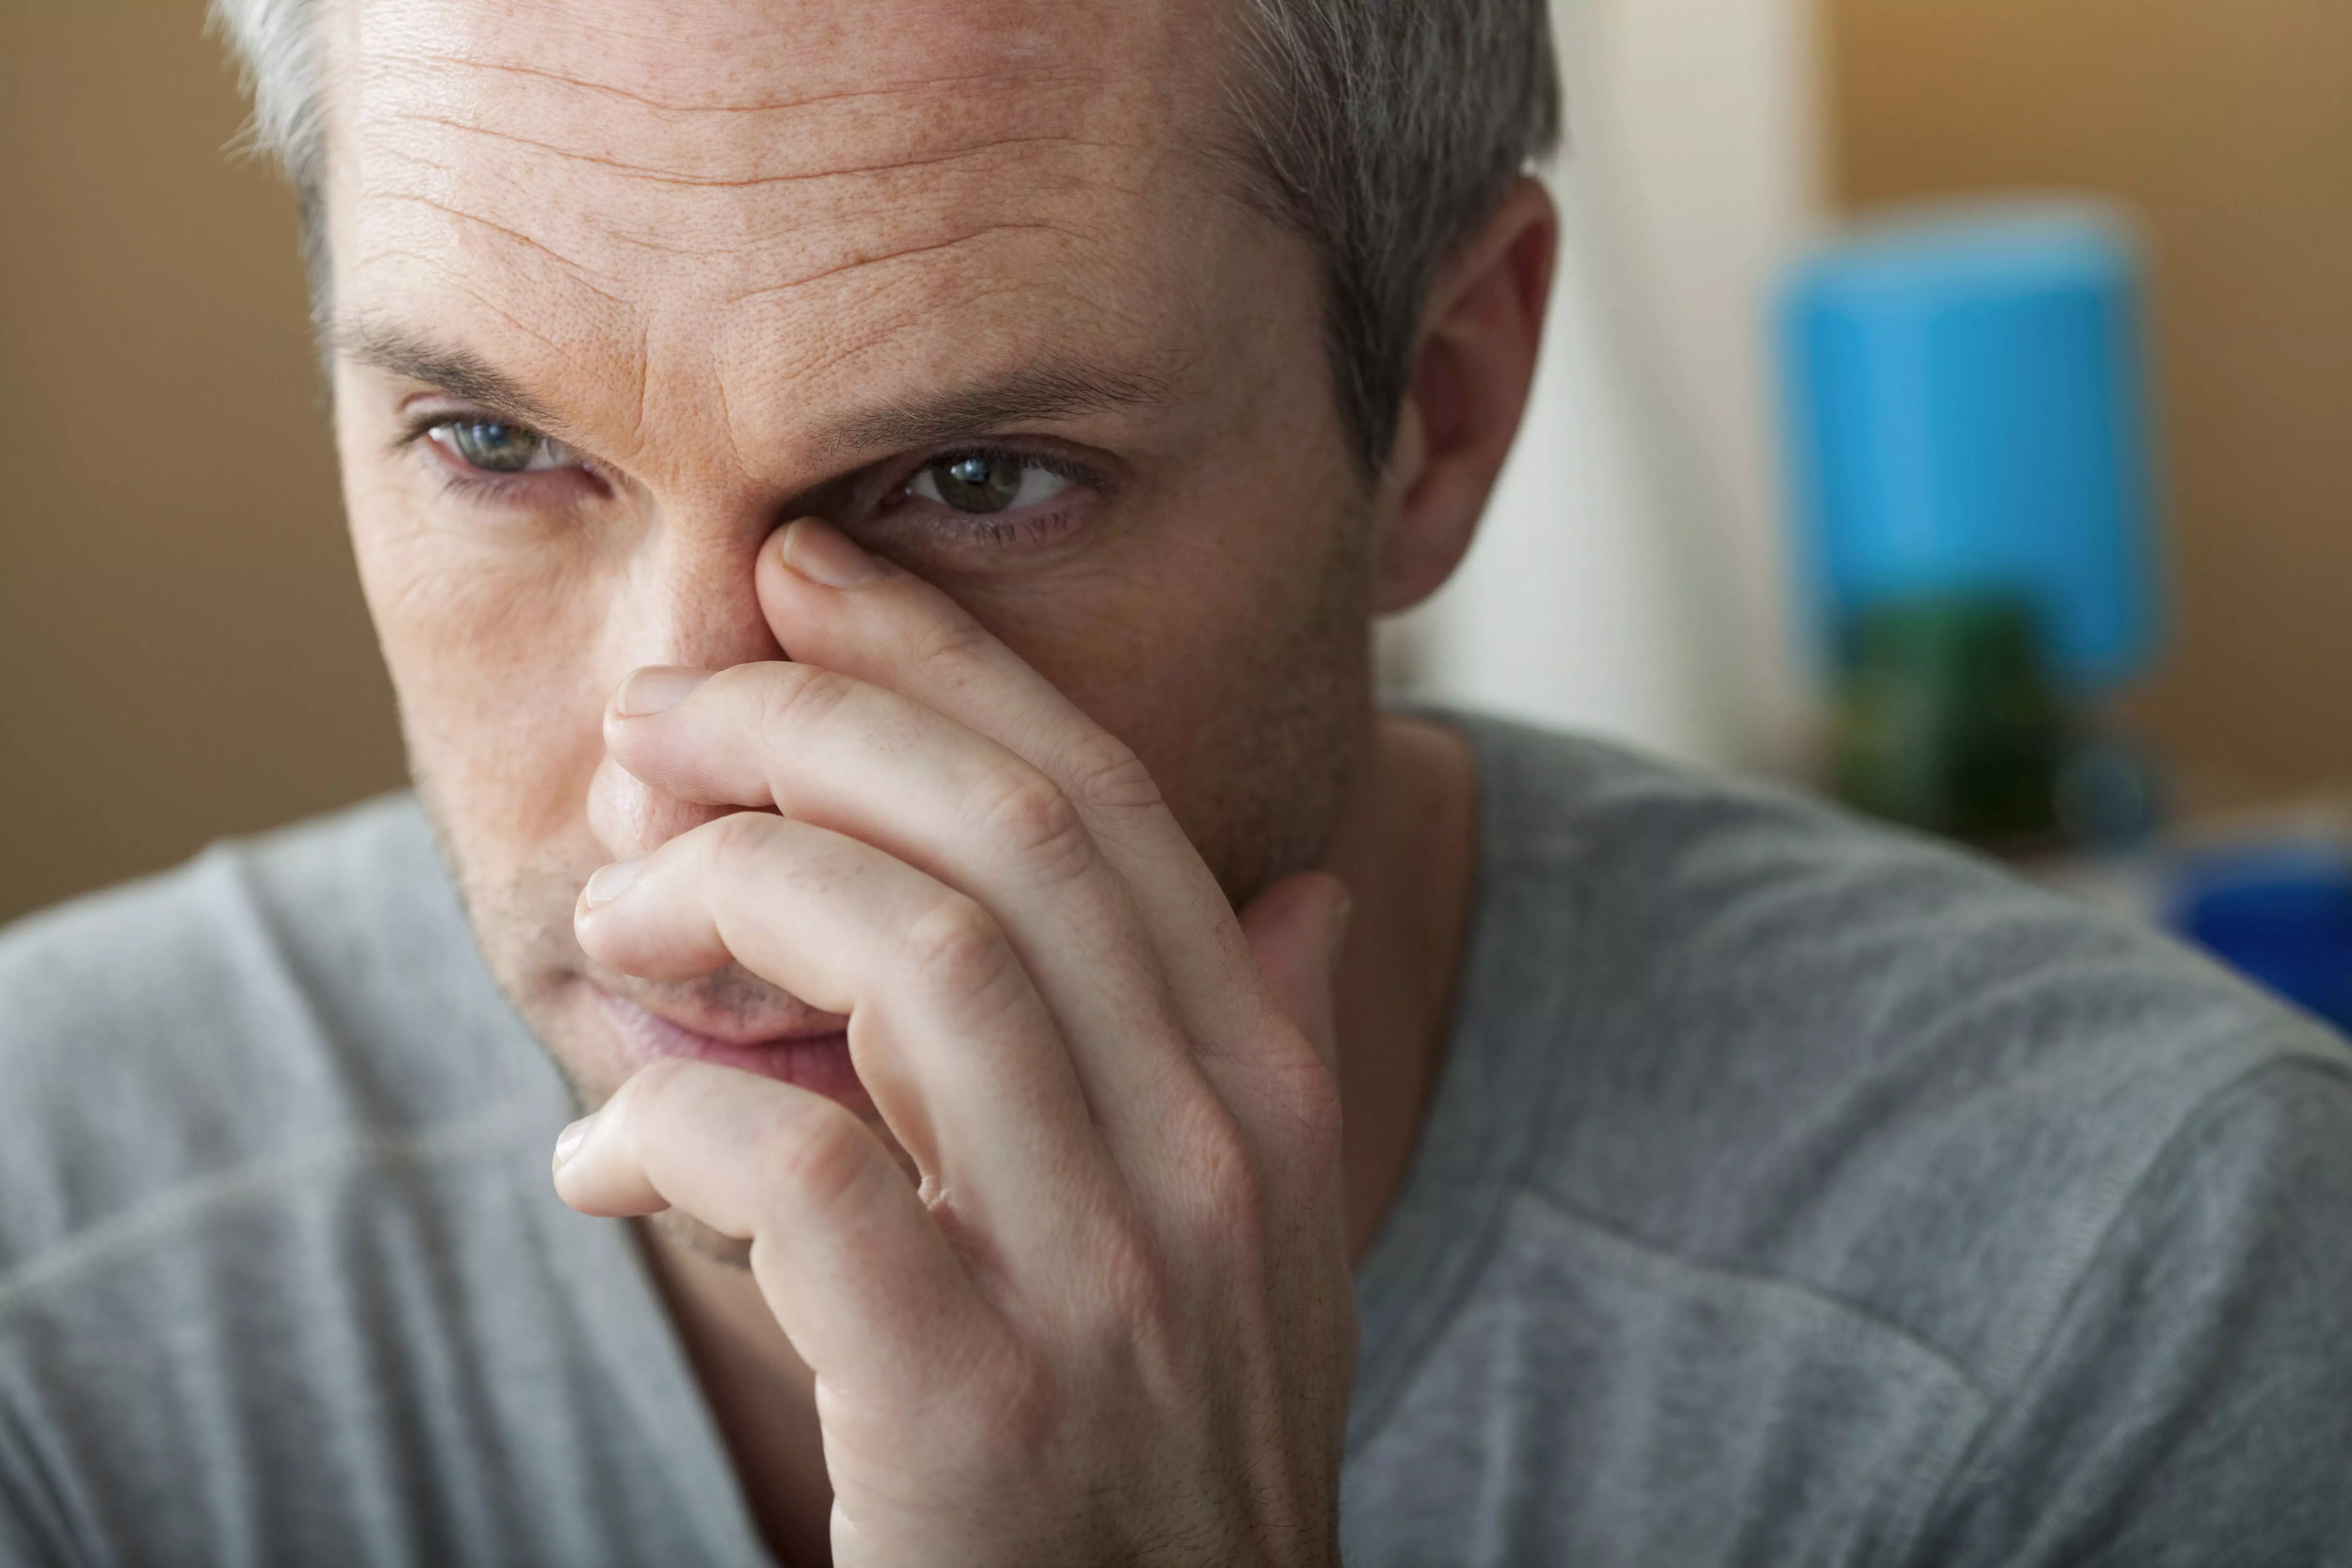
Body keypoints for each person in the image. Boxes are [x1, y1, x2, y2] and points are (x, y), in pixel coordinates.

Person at [3, 0, 2349, 1561]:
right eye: (496, 445)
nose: (681, 807)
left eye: (977, 480)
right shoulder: (48, 1289)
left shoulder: (2128, 1298)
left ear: (1434, 412)